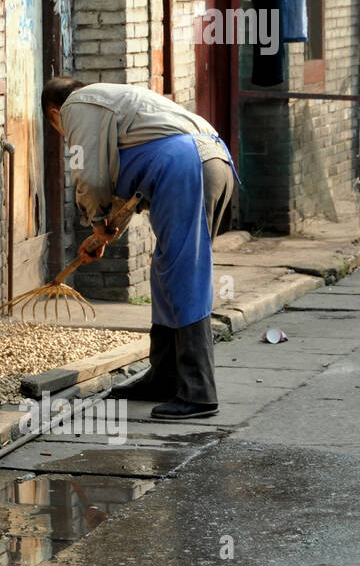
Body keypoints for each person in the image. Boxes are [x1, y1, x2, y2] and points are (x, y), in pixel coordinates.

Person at [41, 78, 240, 420]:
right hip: (211, 160)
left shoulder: (76, 106)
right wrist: (102, 235)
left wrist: (94, 220)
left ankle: (199, 392)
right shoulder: (117, 102)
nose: (63, 134)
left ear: (56, 112)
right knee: (165, 272)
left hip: (186, 167)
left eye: (56, 127)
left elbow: (91, 177)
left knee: (184, 273)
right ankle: (164, 377)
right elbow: (127, 192)